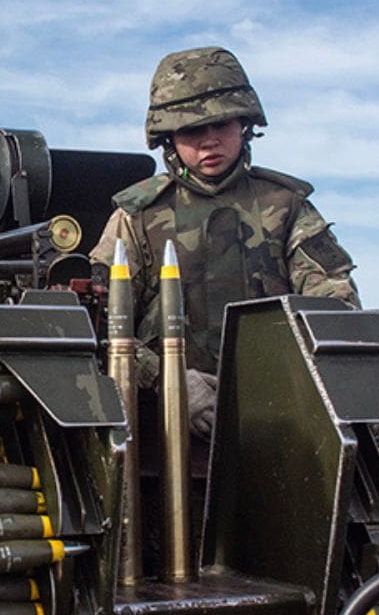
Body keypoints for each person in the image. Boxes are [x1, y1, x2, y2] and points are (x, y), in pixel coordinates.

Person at [89, 47, 359, 437]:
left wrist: (281, 385)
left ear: (245, 125)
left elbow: (336, 309)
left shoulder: (286, 206)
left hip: (277, 416)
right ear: (169, 137)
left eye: (222, 125)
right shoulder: (136, 216)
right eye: (192, 130)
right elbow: (103, 326)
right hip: (156, 424)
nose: (209, 141)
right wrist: (171, 380)